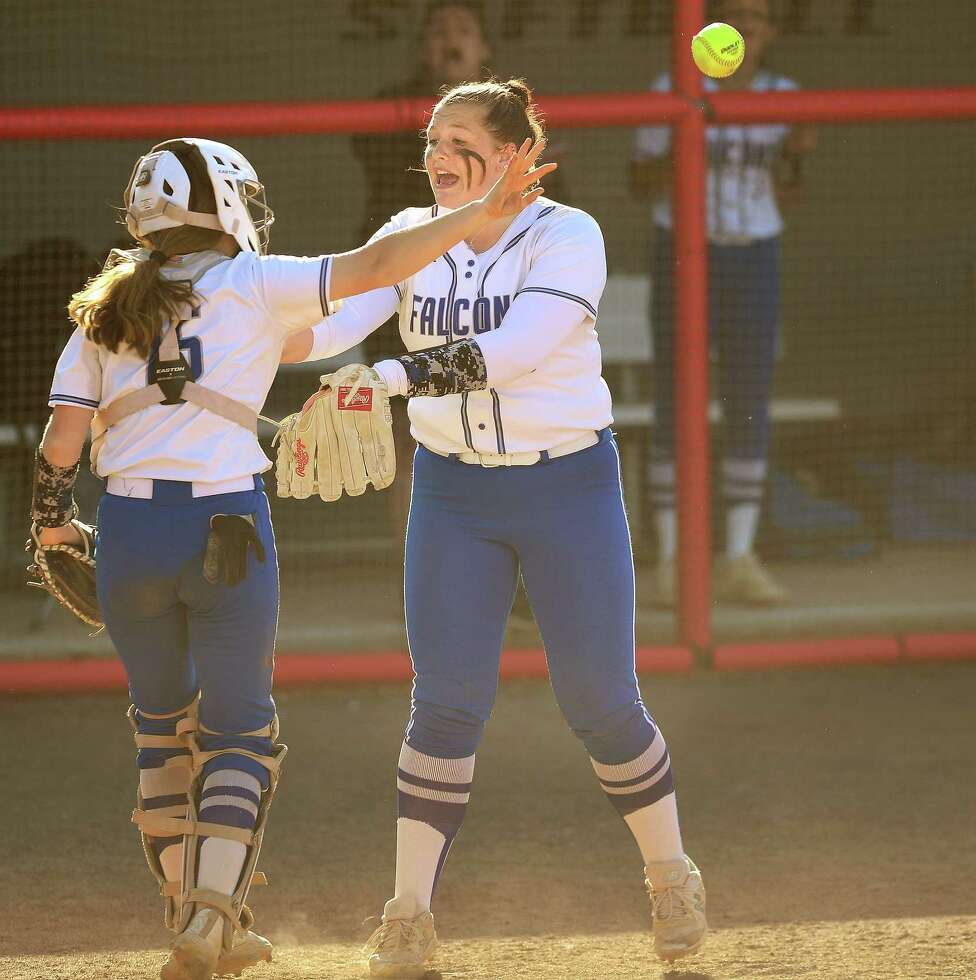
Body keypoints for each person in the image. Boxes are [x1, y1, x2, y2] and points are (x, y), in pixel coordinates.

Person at [30, 135, 548, 980]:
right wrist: (472, 218)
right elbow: (376, 265)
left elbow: (62, 438)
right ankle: (210, 917)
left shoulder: (105, 305)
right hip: (222, 528)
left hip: (126, 533)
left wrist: (52, 527)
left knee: (161, 728)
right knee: (239, 731)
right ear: (223, 205)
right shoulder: (251, 282)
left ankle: (190, 916)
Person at [283, 78, 706, 976]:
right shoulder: (413, 233)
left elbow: (518, 349)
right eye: (432, 138)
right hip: (454, 496)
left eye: (460, 139)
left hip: (567, 487)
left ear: (515, 153)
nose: (437, 153)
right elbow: (327, 327)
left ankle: (670, 875)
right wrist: (238, 322)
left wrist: (389, 380)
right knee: (442, 702)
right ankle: (407, 918)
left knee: (599, 701)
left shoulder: (567, 232)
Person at [352, 0, 565, 632]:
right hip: (412, 289)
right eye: (438, 31)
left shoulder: (513, 134)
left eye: (463, 32)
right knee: (414, 440)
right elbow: (370, 153)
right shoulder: (393, 112)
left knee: (515, 435)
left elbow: (546, 206)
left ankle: (515, 579)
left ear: (485, 50)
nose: (450, 39)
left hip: (495, 307)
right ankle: (422, 581)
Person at [630, 0, 816, 607]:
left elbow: (786, 194)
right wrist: (691, 134)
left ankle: (738, 554)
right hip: (684, 251)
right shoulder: (673, 85)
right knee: (675, 397)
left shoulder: (784, 92)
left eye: (758, 19)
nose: (746, 28)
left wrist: (797, 154)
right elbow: (638, 183)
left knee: (748, 397)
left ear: (771, 33)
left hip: (754, 251)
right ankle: (673, 559)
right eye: (735, 16)